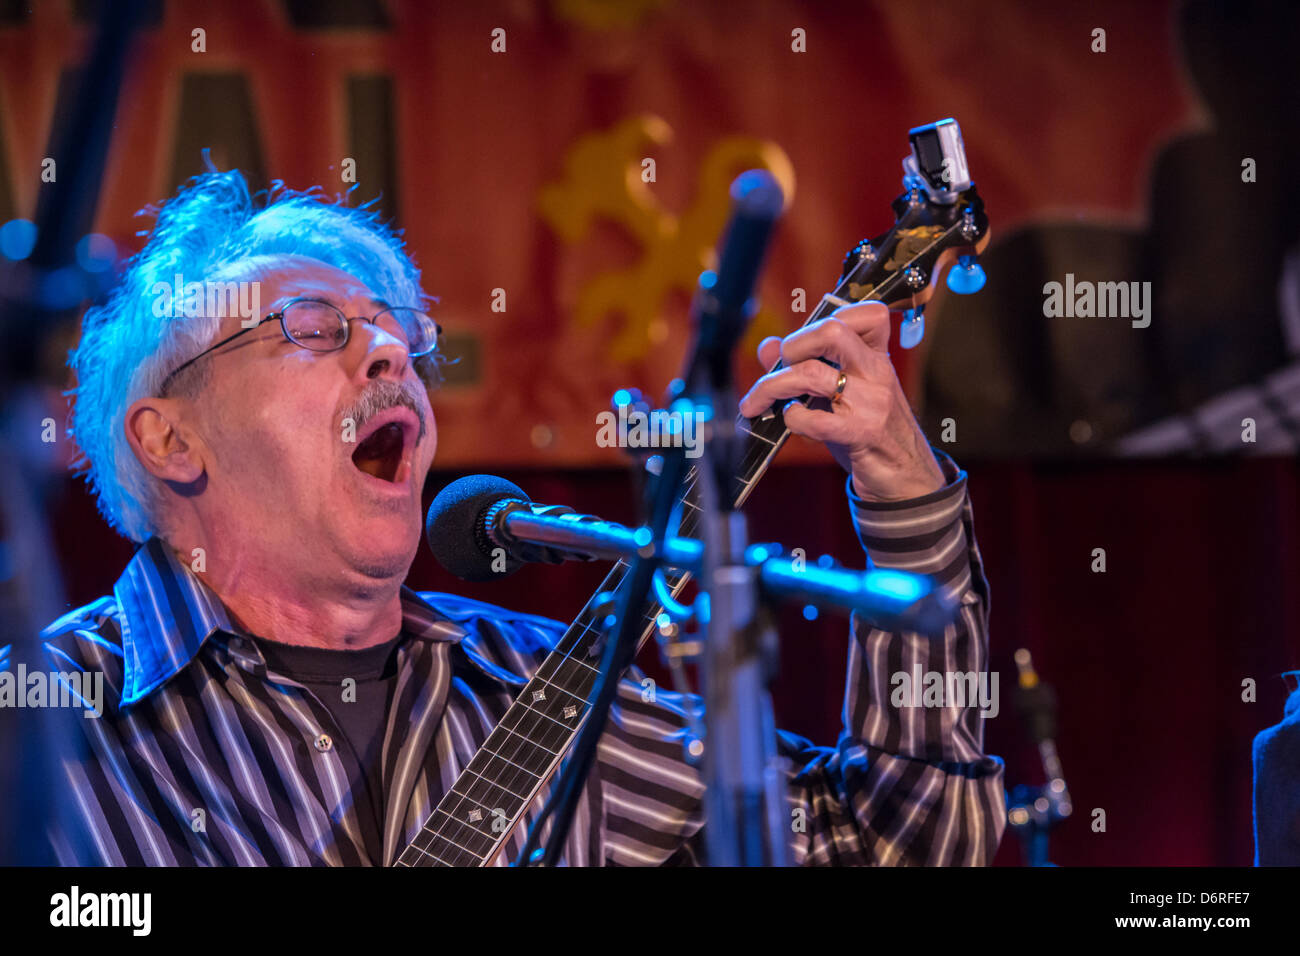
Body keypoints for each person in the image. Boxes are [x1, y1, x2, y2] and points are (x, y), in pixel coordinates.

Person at [41, 169, 1005, 865]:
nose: (387, 354)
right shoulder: (41, 728)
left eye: (401, 335)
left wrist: (902, 488)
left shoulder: (551, 695)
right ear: (169, 440)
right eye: (315, 327)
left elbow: (903, 839)